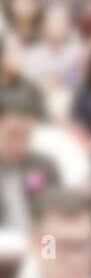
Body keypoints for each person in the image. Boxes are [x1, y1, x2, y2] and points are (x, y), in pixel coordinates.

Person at [0, 88, 59, 231]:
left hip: (40, 245)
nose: (18, 144)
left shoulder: (43, 166)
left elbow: (55, 217)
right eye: (12, 135)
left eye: (25, 137)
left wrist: (47, 252)